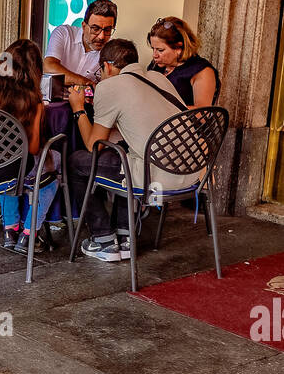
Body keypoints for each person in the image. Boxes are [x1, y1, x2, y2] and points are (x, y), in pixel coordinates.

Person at [67, 37, 200, 262]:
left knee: (77, 161)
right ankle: (126, 236)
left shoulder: (110, 85)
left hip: (156, 176)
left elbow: (94, 145)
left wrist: (78, 108)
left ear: (107, 66)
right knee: (126, 153)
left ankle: (103, 240)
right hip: (191, 174)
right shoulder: (159, 77)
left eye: (101, 70)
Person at [0, 44, 58, 254]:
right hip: (8, 170)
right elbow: (34, 148)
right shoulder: (32, 100)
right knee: (52, 166)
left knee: (5, 163)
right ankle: (29, 234)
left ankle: (10, 229)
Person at [44, 0, 118, 88]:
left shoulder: (112, 52)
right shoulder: (64, 33)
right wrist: (86, 82)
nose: (101, 36)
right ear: (83, 26)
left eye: (107, 30)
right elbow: (48, 67)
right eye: (95, 29)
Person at [147, 16, 219, 108]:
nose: (154, 55)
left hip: (183, 122)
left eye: (160, 50)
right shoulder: (156, 65)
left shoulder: (202, 71)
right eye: (153, 49)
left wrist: (161, 110)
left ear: (178, 48)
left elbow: (202, 113)